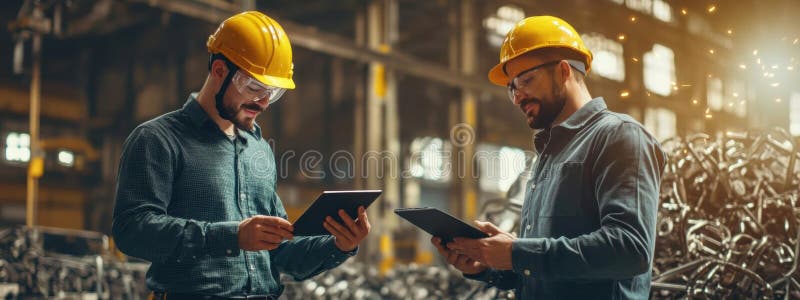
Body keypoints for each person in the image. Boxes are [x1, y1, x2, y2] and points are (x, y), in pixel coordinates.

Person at [112, 11, 370, 300]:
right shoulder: (158, 139)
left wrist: (339, 245)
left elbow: (280, 252)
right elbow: (131, 230)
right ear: (219, 70)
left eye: (271, 93)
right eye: (254, 87)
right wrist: (231, 236)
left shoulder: (259, 150)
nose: (262, 103)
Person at [432, 15, 667, 299]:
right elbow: (542, 272)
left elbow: (630, 249)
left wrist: (517, 252)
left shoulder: (619, 136)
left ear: (563, 71)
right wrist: (488, 264)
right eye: (511, 88)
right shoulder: (546, 158)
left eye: (526, 81)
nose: (518, 97)